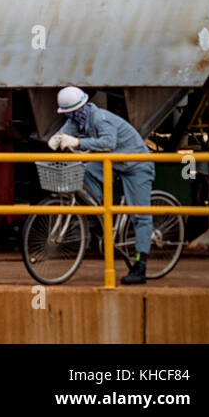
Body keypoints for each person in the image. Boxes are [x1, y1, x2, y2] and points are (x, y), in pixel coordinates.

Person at [48, 86, 154, 284]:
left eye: (69, 112)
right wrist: (56, 139)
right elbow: (65, 133)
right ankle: (102, 212)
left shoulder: (100, 118)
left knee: (140, 214)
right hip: (111, 161)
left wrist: (78, 144)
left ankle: (140, 265)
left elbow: (108, 143)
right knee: (86, 173)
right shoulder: (77, 119)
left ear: (77, 109)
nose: (69, 116)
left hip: (135, 163)